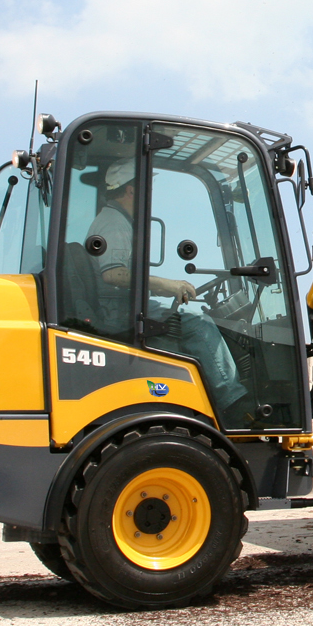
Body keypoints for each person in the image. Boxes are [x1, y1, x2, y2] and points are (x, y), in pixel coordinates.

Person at [89, 159, 253, 426]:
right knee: (198, 324)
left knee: (192, 317)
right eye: (147, 186)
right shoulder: (114, 223)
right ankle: (234, 406)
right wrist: (170, 285)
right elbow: (114, 274)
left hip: (124, 306)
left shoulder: (116, 219)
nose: (151, 193)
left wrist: (167, 288)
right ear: (131, 190)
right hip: (121, 312)